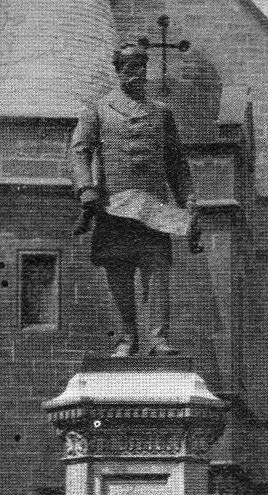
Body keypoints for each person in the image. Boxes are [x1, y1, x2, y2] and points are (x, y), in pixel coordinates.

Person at [69, 42, 197, 357]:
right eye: (129, 67)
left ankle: (158, 339)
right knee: (118, 272)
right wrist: (86, 189)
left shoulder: (161, 113)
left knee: (158, 272)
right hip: (114, 208)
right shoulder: (98, 109)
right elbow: (80, 151)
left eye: (141, 66)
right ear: (118, 71)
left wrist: (188, 200)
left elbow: (176, 162)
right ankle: (127, 337)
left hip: (154, 210)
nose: (136, 73)